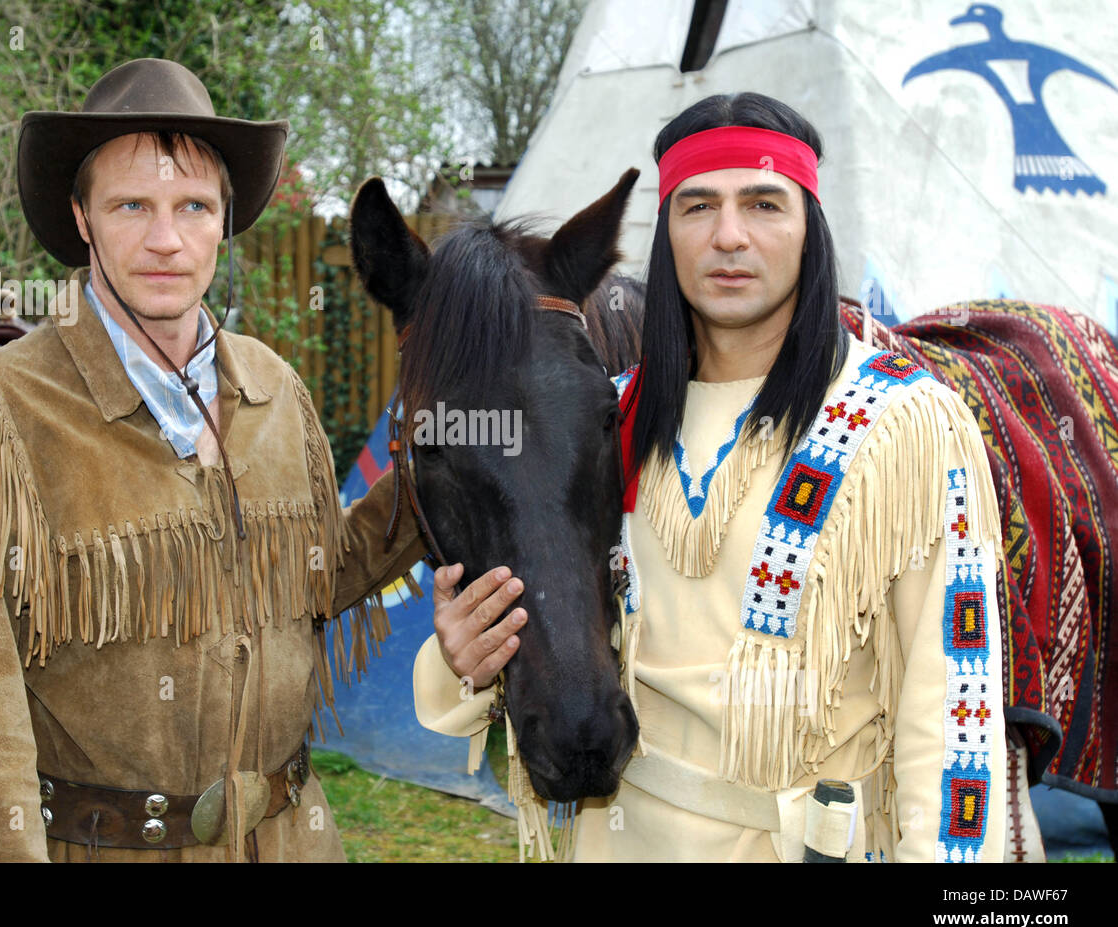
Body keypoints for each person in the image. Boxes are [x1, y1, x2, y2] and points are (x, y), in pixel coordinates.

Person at [413, 92, 1006, 862]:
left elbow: (951, 712)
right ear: (666, 239)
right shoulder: (611, 419)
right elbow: (559, 615)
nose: (730, 236)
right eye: (696, 207)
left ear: (809, 231)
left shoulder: (906, 428)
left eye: (764, 203)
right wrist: (461, 653)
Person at [0, 58, 425, 862]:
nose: (166, 240)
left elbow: (308, 574)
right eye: (132, 205)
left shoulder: (275, 389)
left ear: (224, 221)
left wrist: (430, 472)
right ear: (83, 218)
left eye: (193, 206)